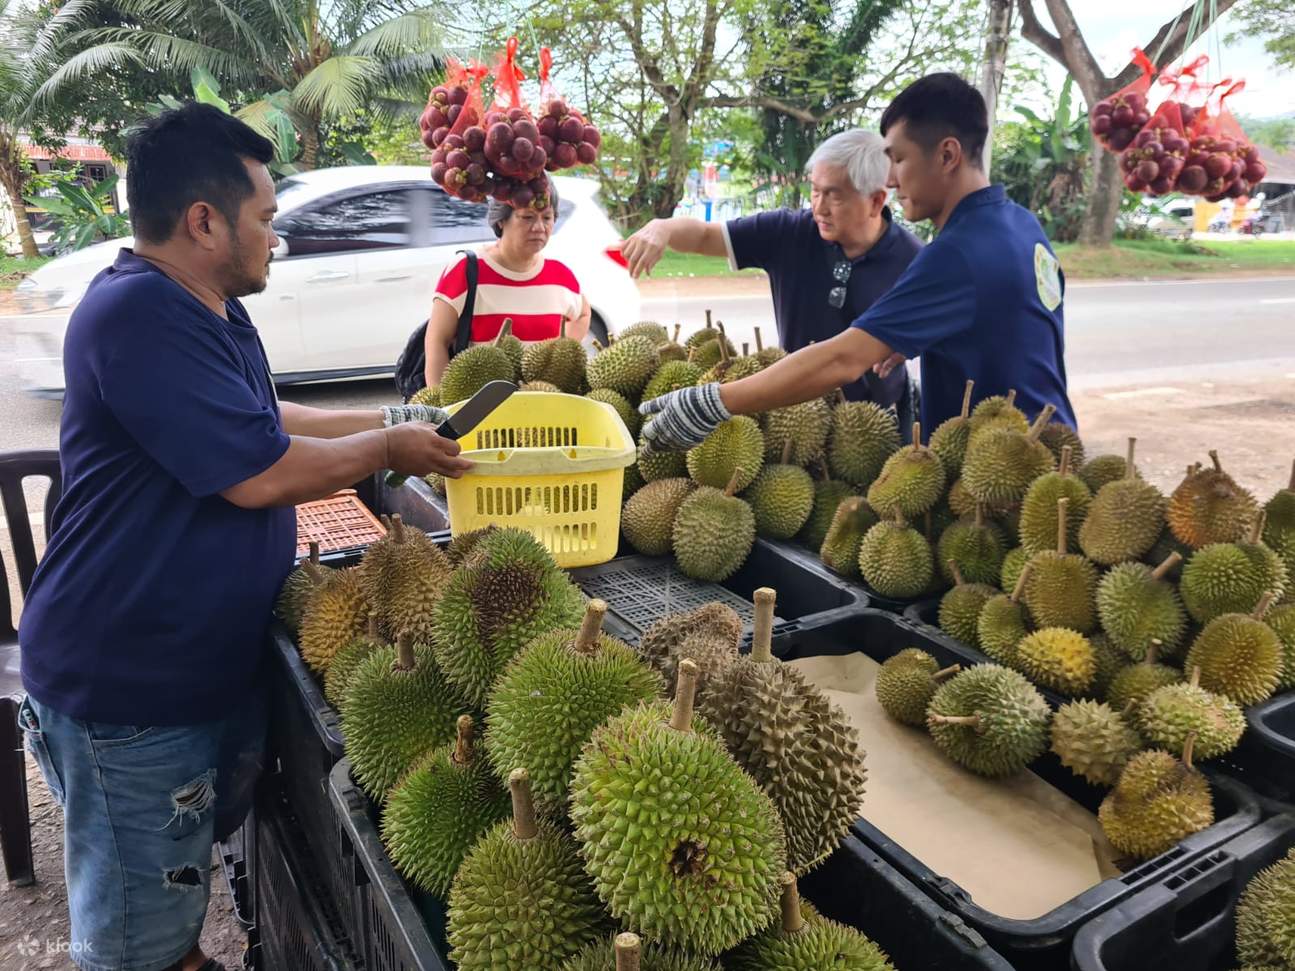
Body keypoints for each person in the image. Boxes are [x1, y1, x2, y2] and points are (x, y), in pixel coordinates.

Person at [17, 104, 470, 971]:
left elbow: (262, 423)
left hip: (177, 670)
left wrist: (391, 415)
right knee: (132, 948)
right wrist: (385, 449)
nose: (274, 238)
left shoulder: (204, 306)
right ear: (203, 221)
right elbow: (257, 474)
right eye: (265, 218)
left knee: (165, 907)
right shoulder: (139, 316)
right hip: (127, 687)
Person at [638, 72, 1077, 454]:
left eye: (899, 159)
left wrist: (716, 401)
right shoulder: (1021, 227)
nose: (889, 178)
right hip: (1048, 445)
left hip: (1003, 471)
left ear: (947, 156)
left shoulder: (955, 253)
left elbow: (840, 360)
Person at [620, 129, 923, 410]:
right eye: (815, 191)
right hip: (793, 408)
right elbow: (704, 235)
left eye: (835, 195)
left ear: (875, 201)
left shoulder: (914, 260)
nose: (819, 207)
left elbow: (947, 325)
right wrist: (663, 228)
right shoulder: (786, 232)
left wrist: (914, 341)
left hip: (875, 424)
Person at [424, 179, 591, 386]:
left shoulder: (561, 275)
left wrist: (561, 352)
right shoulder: (466, 269)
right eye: (527, 217)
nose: (539, 227)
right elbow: (437, 340)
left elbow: (583, 314)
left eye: (547, 218)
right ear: (501, 220)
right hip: (480, 406)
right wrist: (441, 407)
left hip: (543, 407)